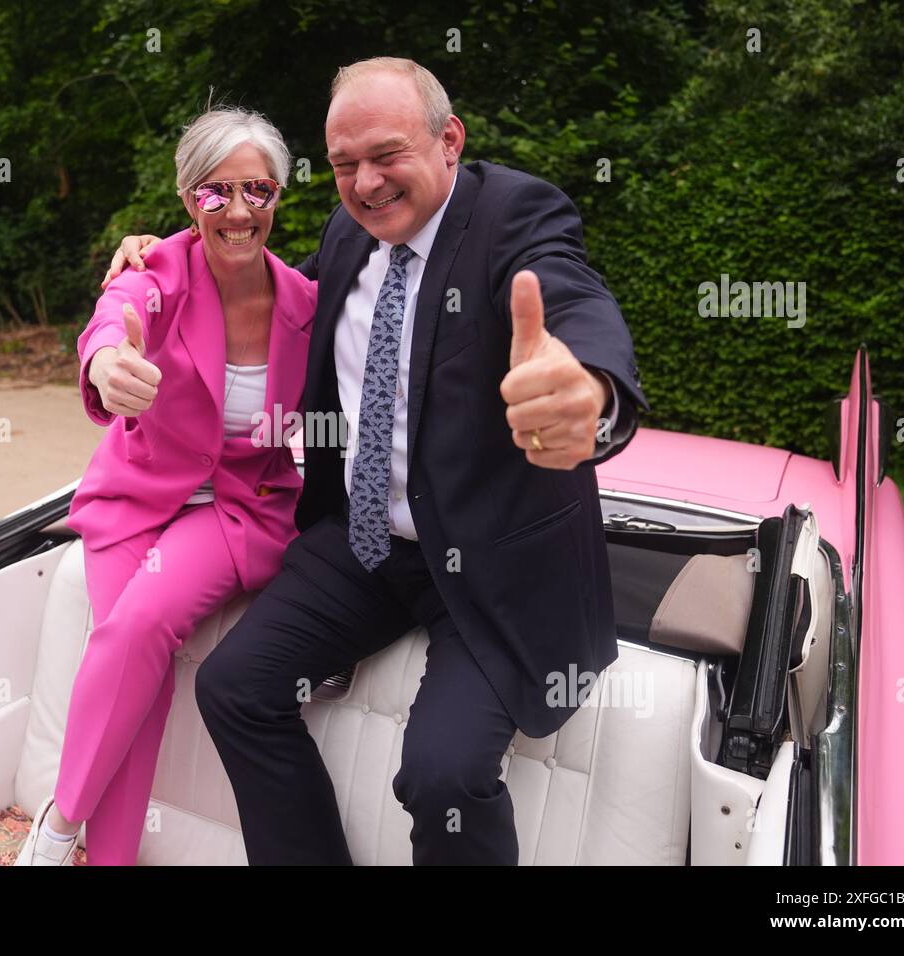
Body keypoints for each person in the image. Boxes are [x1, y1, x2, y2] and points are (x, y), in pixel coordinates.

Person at [101, 57, 648, 865]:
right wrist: (167, 258)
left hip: (494, 562)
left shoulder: (516, 217)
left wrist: (590, 393)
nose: (364, 182)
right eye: (344, 164)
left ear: (449, 140)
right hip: (365, 545)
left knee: (442, 773)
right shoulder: (348, 230)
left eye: (386, 154)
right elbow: (268, 289)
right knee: (234, 690)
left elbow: (573, 300)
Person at [13, 106, 317, 865]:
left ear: (279, 194)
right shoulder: (157, 273)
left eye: (258, 191)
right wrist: (107, 365)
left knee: (137, 625)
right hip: (134, 501)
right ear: (189, 199)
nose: (239, 212)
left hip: (238, 510)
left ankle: (54, 831)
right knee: (134, 687)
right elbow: (115, 322)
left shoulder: (307, 304)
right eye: (216, 193)